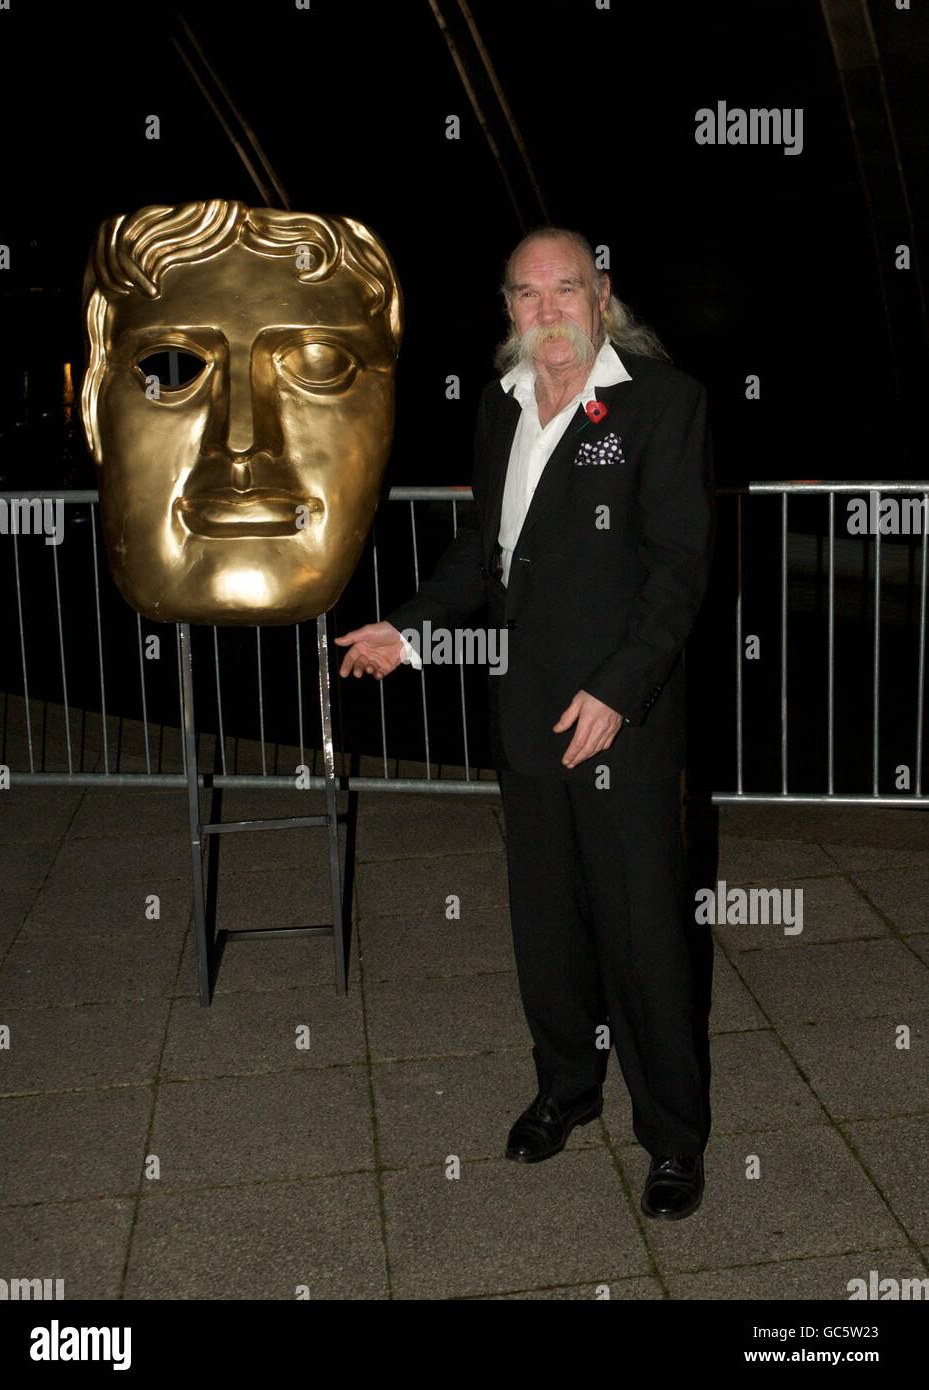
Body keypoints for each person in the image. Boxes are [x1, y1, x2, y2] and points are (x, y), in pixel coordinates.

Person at [335, 226, 715, 1220]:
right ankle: (566, 1088)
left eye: (565, 290)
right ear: (506, 308)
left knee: (642, 933)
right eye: (526, 294)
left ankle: (673, 1136)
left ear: (601, 296)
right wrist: (408, 633)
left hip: (620, 724)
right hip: (524, 714)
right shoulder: (503, 412)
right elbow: (485, 555)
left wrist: (622, 689)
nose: (547, 310)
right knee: (545, 924)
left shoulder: (663, 405)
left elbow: (679, 569)